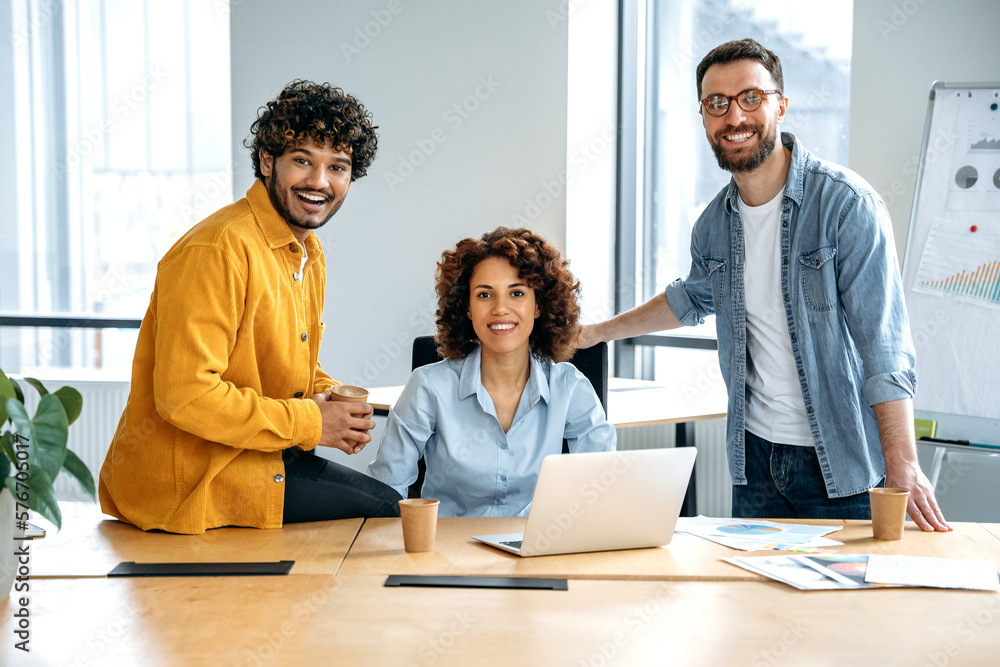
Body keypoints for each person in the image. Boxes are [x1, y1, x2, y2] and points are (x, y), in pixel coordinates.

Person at [581, 39, 950, 531]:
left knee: (847, 607)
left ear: (781, 104)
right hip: (754, 463)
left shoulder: (845, 206)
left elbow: (884, 348)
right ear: (705, 117)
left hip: (842, 464)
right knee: (754, 607)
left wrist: (901, 458)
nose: (735, 117)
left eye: (750, 98)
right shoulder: (713, 223)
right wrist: (594, 333)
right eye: (718, 103)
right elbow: (690, 298)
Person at [99, 80, 402, 534]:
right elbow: (186, 395)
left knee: (392, 506)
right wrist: (311, 422)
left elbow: (281, 366)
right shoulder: (218, 248)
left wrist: (335, 400)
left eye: (337, 166)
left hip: (258, 455)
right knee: (388, 514)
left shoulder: (307, 253)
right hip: (197, 481)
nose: (319, 182)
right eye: (303, 160)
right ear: (267, 161)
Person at [368, 227, 616, 516]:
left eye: (517, 293)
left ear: (538, 306)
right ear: (468, 308)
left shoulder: (570, 387)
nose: (501, 308)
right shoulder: (428, 387)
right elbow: (386, 493)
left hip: (539, 550)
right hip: (449, 551)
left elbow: (599, 487)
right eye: (485, 294)